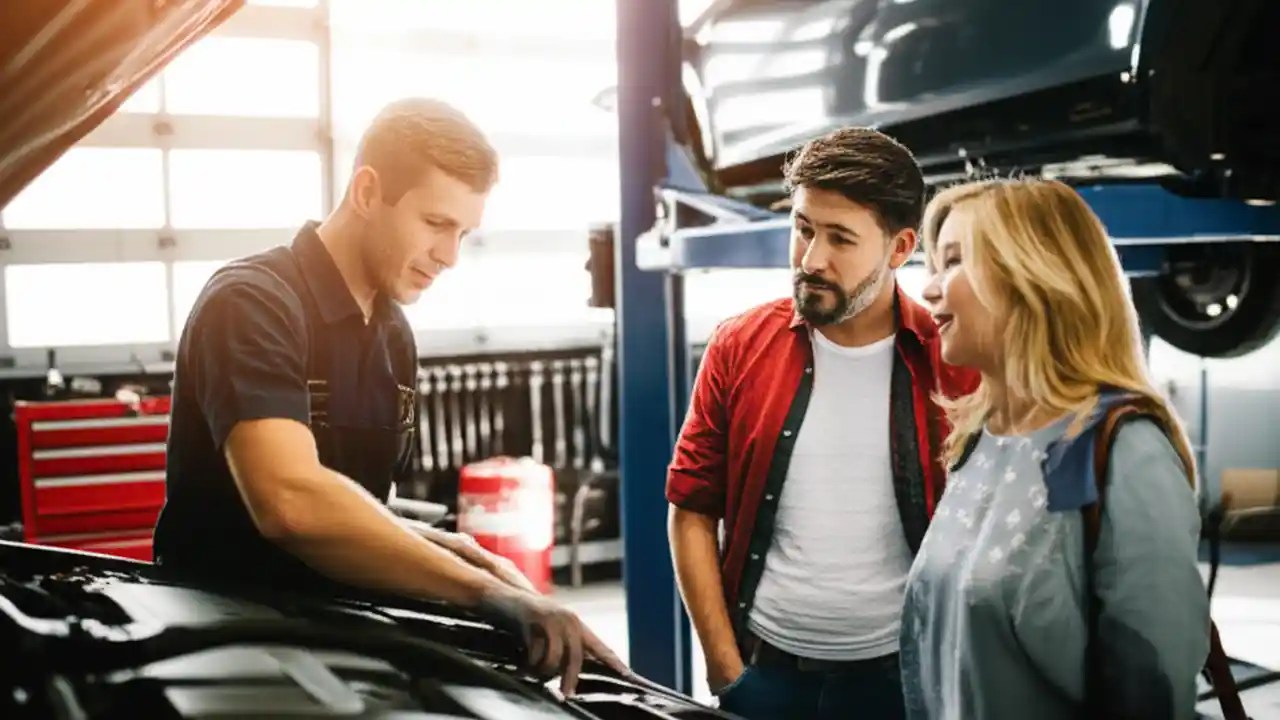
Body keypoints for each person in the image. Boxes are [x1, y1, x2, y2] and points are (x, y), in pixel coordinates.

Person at [152, 97, 626, 695]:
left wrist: (461, 552)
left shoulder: (392, 333)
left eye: (464, 233)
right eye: (436, 224)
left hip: (336, 637)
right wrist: (484, 591)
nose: (451, 256)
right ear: (368, 191)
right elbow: (290, 501)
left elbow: (363, 510)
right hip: (219, 645)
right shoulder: (252, 303)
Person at [665, 127, 979, 720]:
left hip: (905, 681)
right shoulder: (739, 345)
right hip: (767, 675)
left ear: (898, 247)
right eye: (804, 228)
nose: (811, 260)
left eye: (840, 238)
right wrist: (726, 671)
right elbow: (691, 509)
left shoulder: (952, 358)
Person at [902, 177, 1210, 719]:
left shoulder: (1124, 452)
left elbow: (1153, 691)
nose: (929, 289)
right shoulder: (979, 440)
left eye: (953, 262)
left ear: (1031, 274)